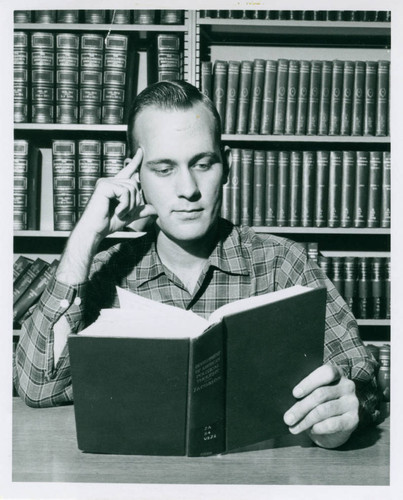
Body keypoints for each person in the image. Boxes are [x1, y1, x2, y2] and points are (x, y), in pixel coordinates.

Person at [14, 80, 379, 449]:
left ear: (227, 165)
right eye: (163, 169)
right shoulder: (105, 275)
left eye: (202, 164)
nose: (188, 188)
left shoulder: (284, 265)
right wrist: (85, 237)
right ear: (134, 176)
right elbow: (37, 387)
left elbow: (362, 380)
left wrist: (346, 412)